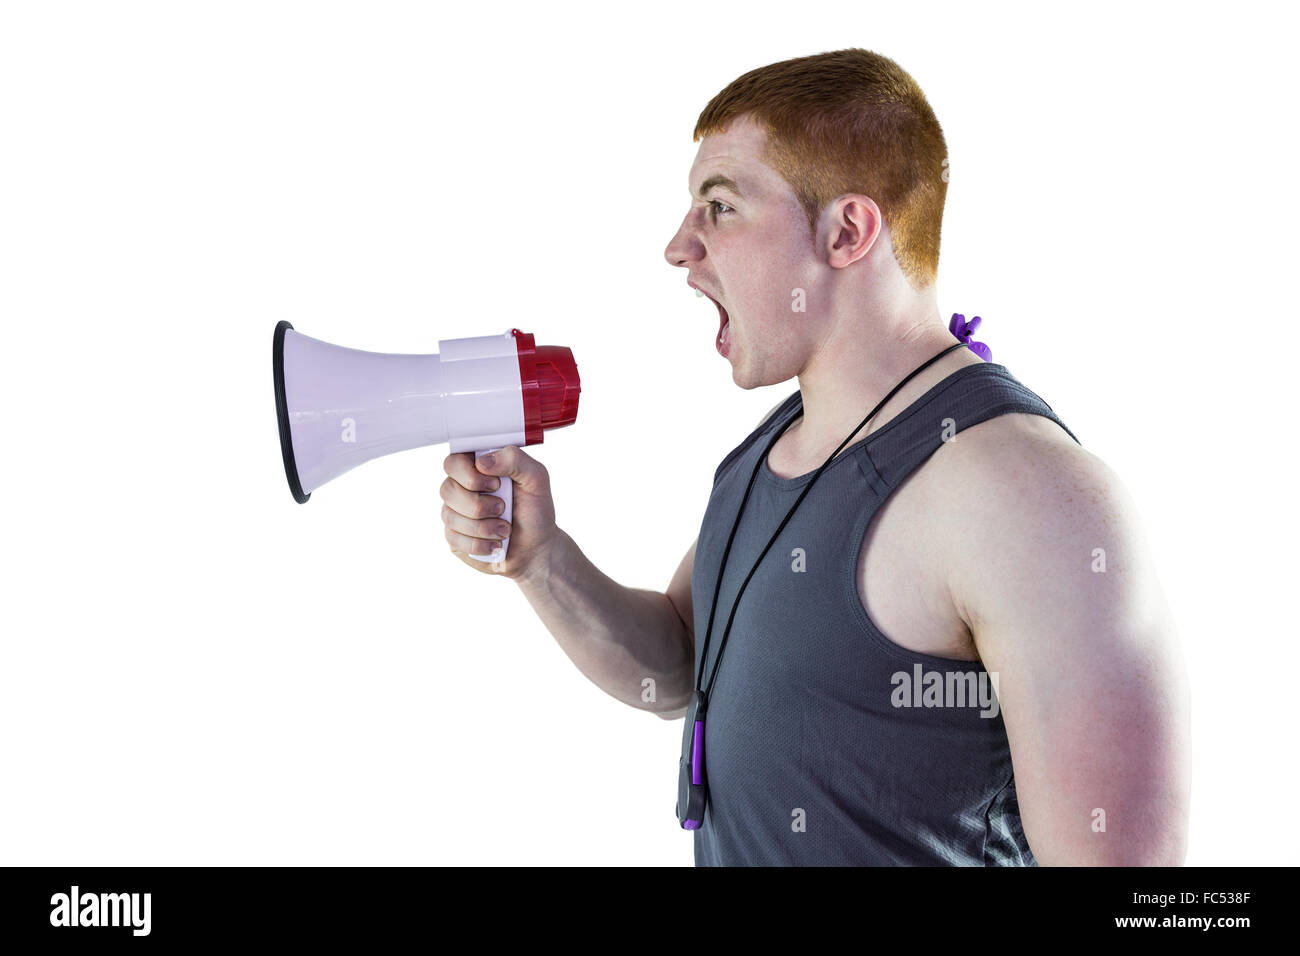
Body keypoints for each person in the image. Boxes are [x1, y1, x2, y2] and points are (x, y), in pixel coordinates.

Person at [439, 48, 1190, 866]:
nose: (678, 247)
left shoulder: (1027, 496)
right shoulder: (771, 452)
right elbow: (680, 669)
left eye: (720, 207)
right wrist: (541, 559)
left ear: (846, 232)